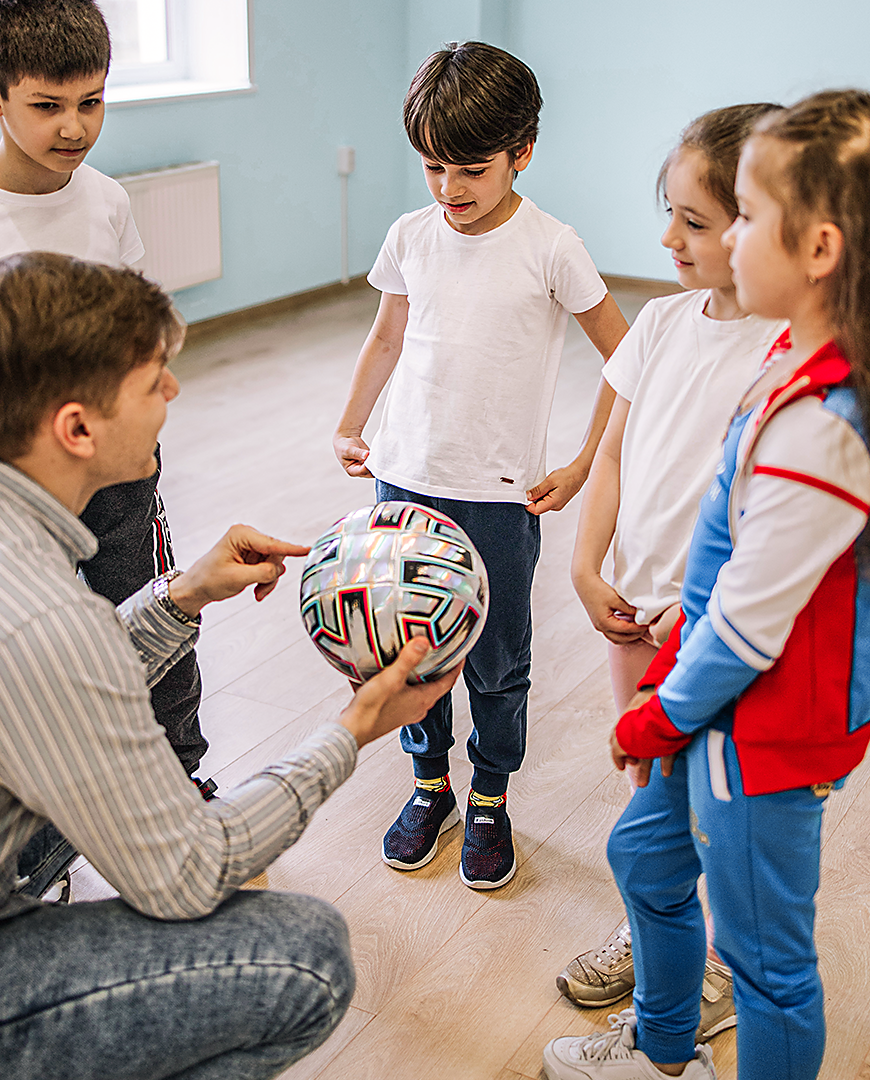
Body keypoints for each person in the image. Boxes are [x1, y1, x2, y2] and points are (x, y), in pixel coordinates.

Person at [0, 252, 461, 1079]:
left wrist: (180, 595)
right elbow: (187, 874)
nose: (173, 393)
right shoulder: (42, 616)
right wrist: (352, 730)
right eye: (154, 381)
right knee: (305, 960)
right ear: (76, 428)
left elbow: (53, 689)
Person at [543, 90, 870, 1080]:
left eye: (745, 212)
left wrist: (655, 716)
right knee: (648, 862)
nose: (726, 236)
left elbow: (747, 626)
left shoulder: (825, 429)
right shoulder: (793, 355)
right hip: (719, 703)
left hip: (763, 737)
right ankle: (661, 1056)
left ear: (818, 248)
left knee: (766, 965)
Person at [0, 0, 211, 896]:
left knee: (154, 627)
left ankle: (184, 792)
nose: (75, 126)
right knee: (34, 668)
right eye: (47, 105)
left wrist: (143, 437)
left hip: (116, 481)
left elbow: (140, 330)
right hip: (9, 499)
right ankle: (35, 849)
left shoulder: (109, 201)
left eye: (93, 101)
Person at [333, 41, 628, 890]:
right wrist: (351, 426)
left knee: (497, 659)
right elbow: (387, 335)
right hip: (401, 482)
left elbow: (626, 356)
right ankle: (432, 788)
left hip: (498, 501)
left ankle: (491, 796)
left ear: (522, 152)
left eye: (470, 169)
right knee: (408, 652)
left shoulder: (552, 246)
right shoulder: (409, 236)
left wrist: (579, 463)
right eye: (433, 167)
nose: (449, 191)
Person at [555, 104, 786, 1041]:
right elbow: (611, 452)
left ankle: (725, 957)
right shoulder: (656, 323)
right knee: (650, 783)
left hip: (717, 631)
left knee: (719, 804)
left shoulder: (786, 357)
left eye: (694, 221)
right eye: (670, 214)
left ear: (763, 224)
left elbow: (774, 525)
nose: (667, 237)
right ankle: (658, 923)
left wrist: (699, 613)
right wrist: (582, 562)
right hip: (632, 615)